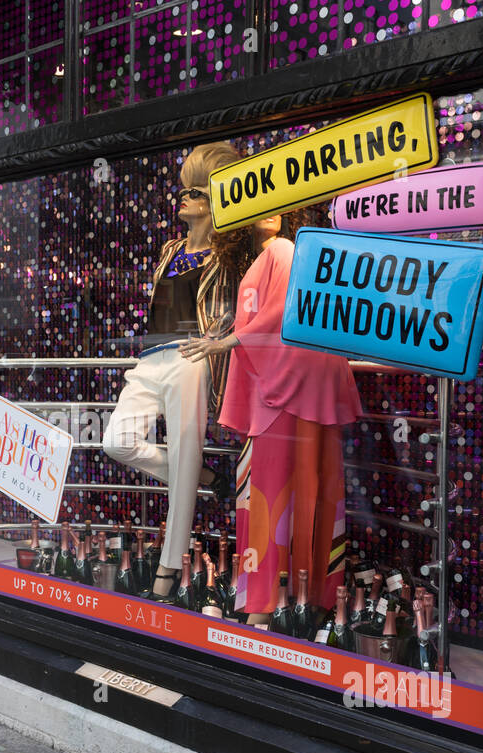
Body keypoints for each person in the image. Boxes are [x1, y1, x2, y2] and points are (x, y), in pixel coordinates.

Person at [182, 210, 362, 623]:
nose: (270, 211)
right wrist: (228, 336)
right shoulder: (266, 258)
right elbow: (273, 314)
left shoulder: (283, 249)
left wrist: (229, 341)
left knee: (270, 493)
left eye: (276, 202)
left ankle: (267, 604)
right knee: (300, 490)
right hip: (289, 385)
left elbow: (286, 308)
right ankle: (303, 600)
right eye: (258, 205)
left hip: (286, 388)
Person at [102, 142, 244, 601]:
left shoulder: (224, 257)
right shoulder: (171, 249)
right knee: (117, 441)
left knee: (184, 457)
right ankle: (199, 475)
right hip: (149, 357)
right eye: (183, 191)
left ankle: (166, 574)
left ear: (214, 202)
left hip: (189, 358)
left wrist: (218, 338)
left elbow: (238, 306)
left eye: (195, 192)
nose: (183, 199)